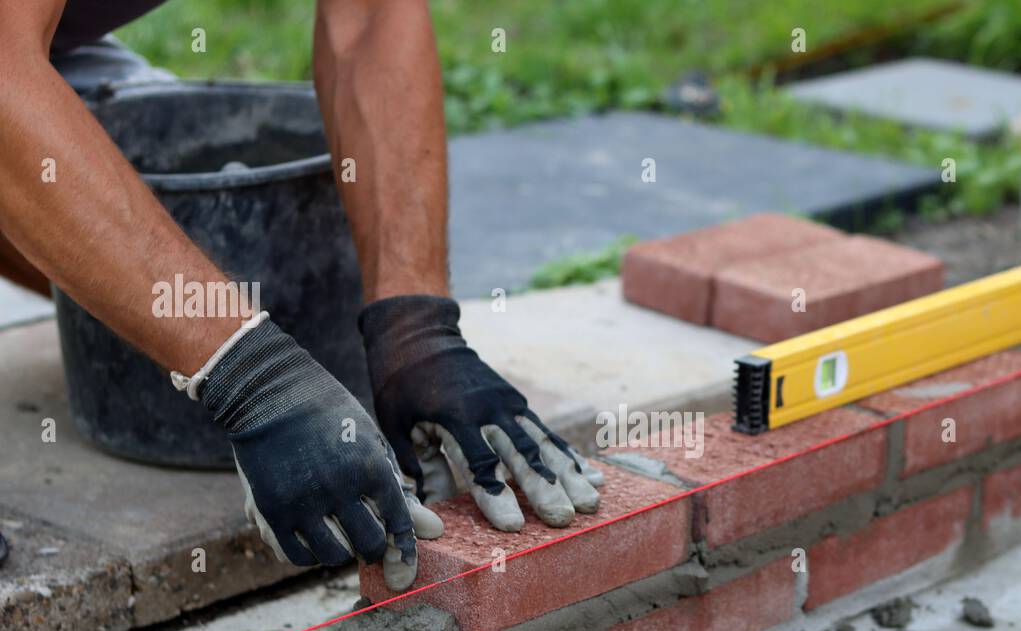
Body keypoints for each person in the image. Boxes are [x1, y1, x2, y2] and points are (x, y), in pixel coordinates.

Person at [0, 0, 602, 591]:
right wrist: (249, 374)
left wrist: (416, 327)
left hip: (48, 49)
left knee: (171, 215)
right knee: (69, 202)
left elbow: (370, 17)